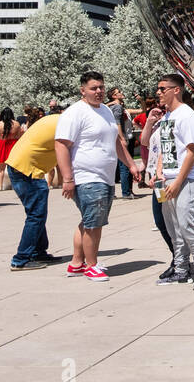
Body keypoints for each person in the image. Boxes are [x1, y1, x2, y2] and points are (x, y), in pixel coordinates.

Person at [56, 72, 142, 282]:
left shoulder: (105, 110)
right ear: (82, 90)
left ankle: (77, 263)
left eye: (101, 87)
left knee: (89, 221)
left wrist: (131, 164)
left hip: (104, 177)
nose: (99, 91)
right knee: (94, 224)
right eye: (94, 88)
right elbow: (61, 145)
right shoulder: (74, 113)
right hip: (87, 177)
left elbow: (115, 142)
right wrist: (67, 179)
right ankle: (91, 265)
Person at [146, 74, 194, 289]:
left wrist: (178, 181)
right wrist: (158, 173)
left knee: (186, 224)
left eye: (162, 88)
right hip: (167, 179)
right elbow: (163, 150)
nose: (158, 92)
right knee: (173, 226)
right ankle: (181, 269)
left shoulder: (188, 116)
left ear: (176, 90)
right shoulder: (167, 117)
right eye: (158, 88)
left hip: (188, 178)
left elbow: (193, 151)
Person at [4, 112, 67, 270]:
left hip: (23, 167)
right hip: (28, 170)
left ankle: (38, 252)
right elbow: (66, 151)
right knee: (36, 215)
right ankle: (21, 259)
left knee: (37, 213)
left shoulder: (56, 120)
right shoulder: (65, 124)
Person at [105, 87, 135, 199]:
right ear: (114, 96)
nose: (122, 93)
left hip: (110, 138)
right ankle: (126, 192)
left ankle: (111, 193)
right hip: (118, 138)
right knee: (124, 166)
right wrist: (122, 138)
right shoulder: (117, 107)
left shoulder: (110, 107)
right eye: (119, 92)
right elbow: (117, 123)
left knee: (113, 166)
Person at [0, 107, 22, 192]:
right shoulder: (17, 124)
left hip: (3, 145)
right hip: (14, 145)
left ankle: (0, 186)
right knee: (15, 168)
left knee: (1, 169)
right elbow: (19, 137)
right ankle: (15, 186)